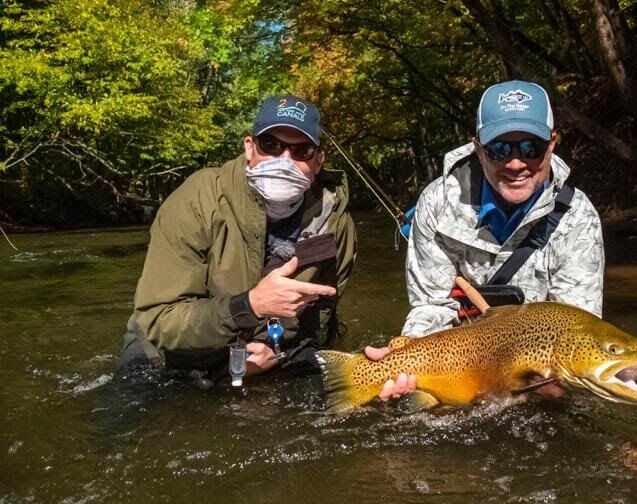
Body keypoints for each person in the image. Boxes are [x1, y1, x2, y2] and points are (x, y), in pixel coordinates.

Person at [367, 80, 604, 400]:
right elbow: (431, 306)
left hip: (539, 375)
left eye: (531, 147)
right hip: (457, 365)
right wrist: (407, 365)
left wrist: (558, 381)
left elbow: (577, 329)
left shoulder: (578, 218)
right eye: (500, 149)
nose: (516, 163)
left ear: (552, 144)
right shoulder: (437, 205)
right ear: (478, 147)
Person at [119, 95, 356, 384]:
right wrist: (251, 305)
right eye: (271, 145)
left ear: (318, 161)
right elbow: (159, 319)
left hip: (269, 356)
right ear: (249, 148)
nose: (284, 161)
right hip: (166, 354)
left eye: (301, 150)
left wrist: (275, 351)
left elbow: (319, 322)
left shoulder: (335, 222)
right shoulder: (197, 200)